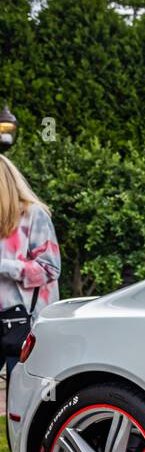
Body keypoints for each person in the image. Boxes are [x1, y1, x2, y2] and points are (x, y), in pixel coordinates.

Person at [0, 155, 59, 378]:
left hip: (25, 321)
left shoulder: (33, 215)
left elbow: (50, 268)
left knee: (21, 393)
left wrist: (4, 265)